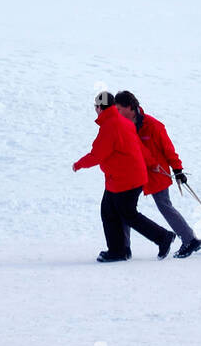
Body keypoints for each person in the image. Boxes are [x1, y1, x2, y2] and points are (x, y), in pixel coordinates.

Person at [73, 91, 176, 262]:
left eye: (95, 107)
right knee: (110, 211)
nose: (95, 110)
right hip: (123, 178)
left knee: (127, 214)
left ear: (100, 107)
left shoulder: (110, 126)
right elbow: (139, 148)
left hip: (125, 180)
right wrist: (151, 163)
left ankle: (161, 237)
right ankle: (119, 250)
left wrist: (78, 164)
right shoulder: (123, 122)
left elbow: (97, 154)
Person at [114, 90, 201, 258]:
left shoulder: (154, 126)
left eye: (119, 109)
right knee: (124, 208)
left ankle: (190, 240)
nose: (116, 112)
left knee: (164, 205)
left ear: (130, 108)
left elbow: (169, 150)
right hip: (133, 175)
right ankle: (123, 248)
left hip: (156, 173)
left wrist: (178, 170)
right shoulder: (121, 125)